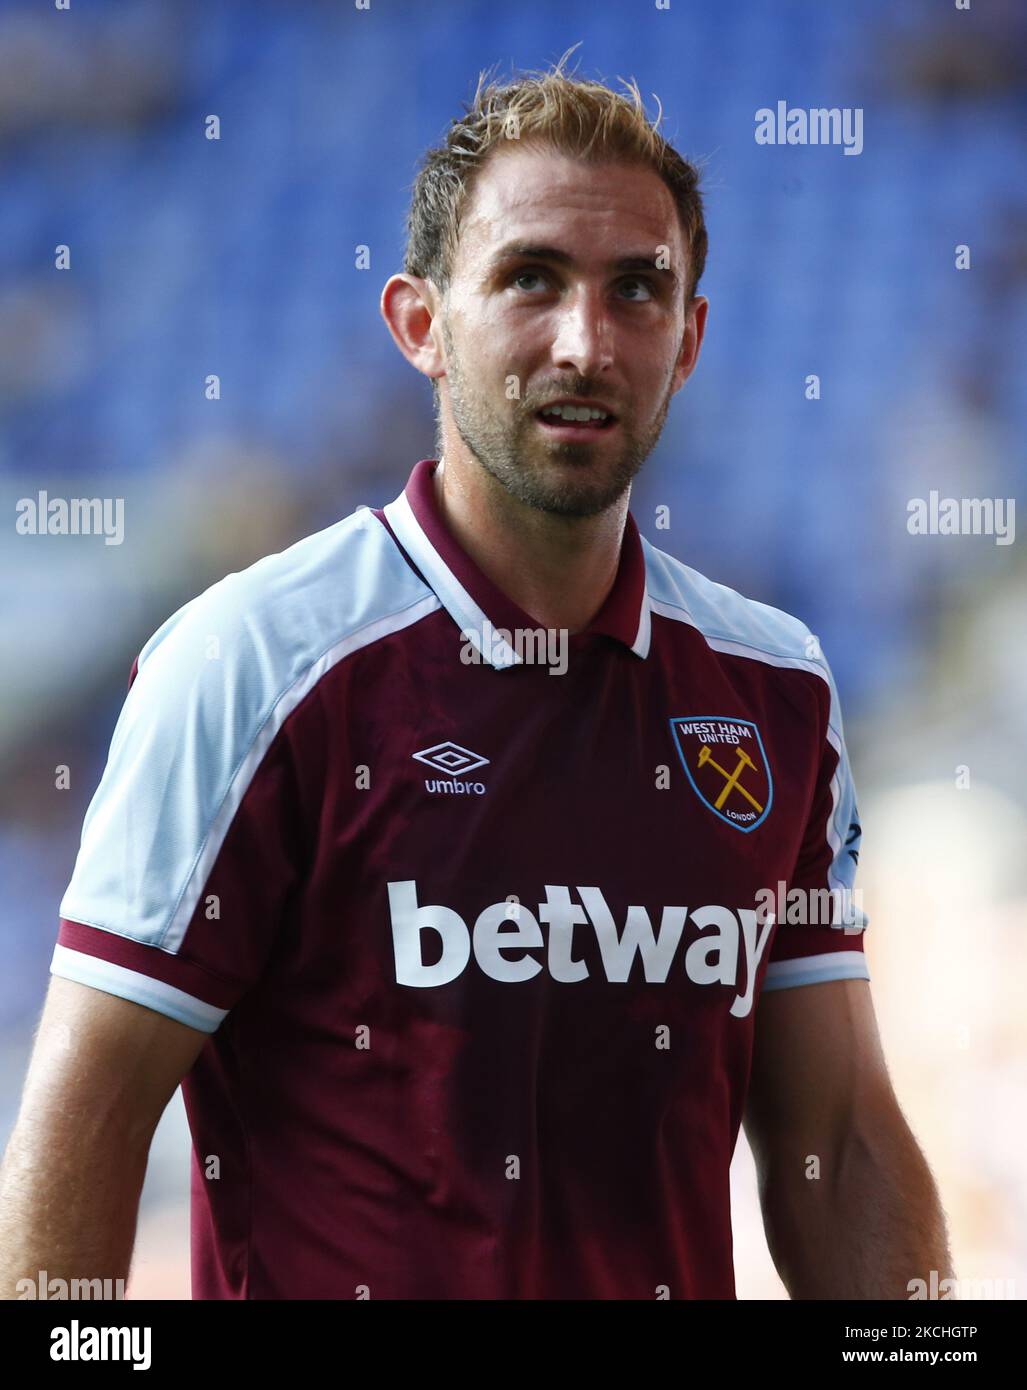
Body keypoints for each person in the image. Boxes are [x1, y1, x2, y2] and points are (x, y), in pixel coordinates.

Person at [0, 53, 952, 1300]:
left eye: (637, 292)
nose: (584, 342)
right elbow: (86, 1119)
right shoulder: (250, 666)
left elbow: (835, 1137)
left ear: (691, 338)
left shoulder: (776, 690)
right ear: (421, 325)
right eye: (530, 279)